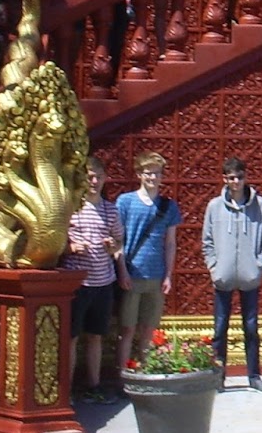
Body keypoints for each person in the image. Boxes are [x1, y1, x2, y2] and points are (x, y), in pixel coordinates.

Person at [202, 156, 262, 393]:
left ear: (246, 177)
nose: (236, 182)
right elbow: (207, 241)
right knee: (220, 328)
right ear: (224, 179)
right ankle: (218, 377)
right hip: (223, 277)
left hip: (249, 276)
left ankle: (254, 376)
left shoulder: (259, 205)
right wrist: (214, 267)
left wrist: (258, 265)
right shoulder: (214, 206)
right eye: (231, 177)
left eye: (240, 177)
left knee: (251, 327)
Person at [63, 156, 124, 402]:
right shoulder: (72, 207)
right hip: (77, 282)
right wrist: (71, 247)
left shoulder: (110, 210)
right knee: (71, 337)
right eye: (90, 177)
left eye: (98, 177)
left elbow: (119, 241)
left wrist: (112, 246)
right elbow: (56, 242)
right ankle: (65, 390)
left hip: (103, 281)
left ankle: (94, 385)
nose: (95, 182)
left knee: (96, 336)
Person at [115, 152, 182, 376]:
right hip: (132, 272)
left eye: (156, 173)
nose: (152, 177)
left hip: (156, 274)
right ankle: (123, 375)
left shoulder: (168, 206)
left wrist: (169, 275)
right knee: (127, 328)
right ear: (139, 175)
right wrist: (122, 269)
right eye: (148, 173)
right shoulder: (125, 202)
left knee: (148, 329)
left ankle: (145, 372)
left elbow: (170, 242)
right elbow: (118, 239)